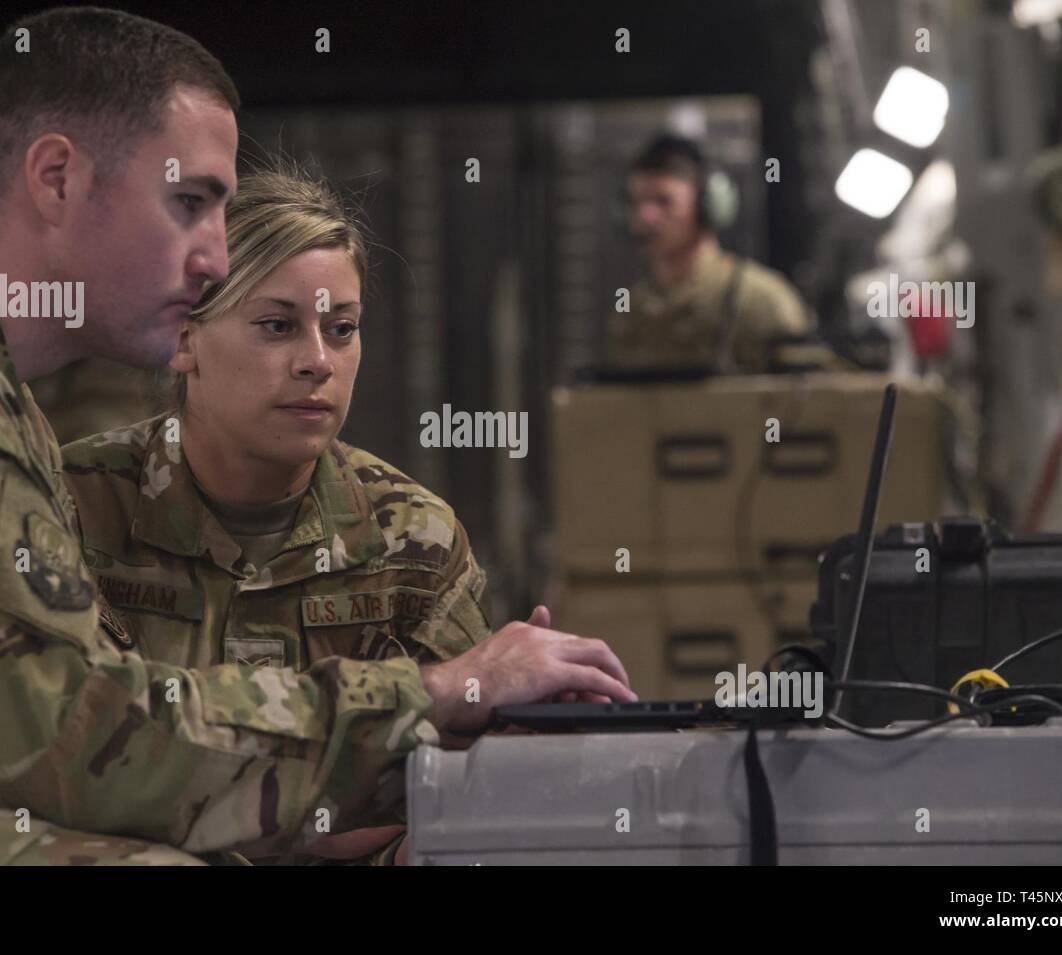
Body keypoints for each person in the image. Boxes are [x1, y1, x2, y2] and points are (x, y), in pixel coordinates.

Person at [0, 7, 634, 865]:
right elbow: (73, 741)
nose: (213, 258)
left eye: (344, 327)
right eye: (189, 203)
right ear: (56, 178)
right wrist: (434, 693)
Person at [62, 166, 634, 864]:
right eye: (277, 326)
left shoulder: (411, 539)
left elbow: (441, 806)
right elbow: (59, 767)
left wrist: (519, 744)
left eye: (342, 329)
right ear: (184, 338)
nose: (317, 362)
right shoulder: (76, 507)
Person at [606, 134, 814, 373]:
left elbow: (804, 398)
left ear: (708, 207)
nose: (645, 217)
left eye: (664, 202)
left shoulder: (759, 300)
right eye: (636, 203)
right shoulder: (634, 312)